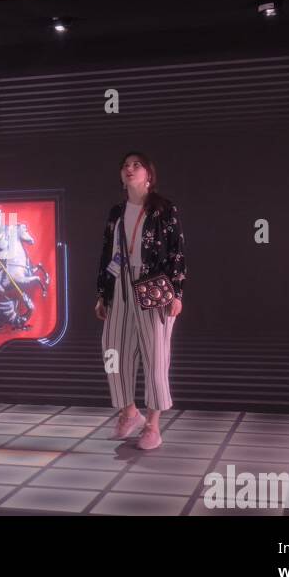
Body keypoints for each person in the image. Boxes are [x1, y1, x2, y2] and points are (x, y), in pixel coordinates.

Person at [95, 152, 187, 450]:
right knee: (113, 350)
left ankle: (153, 426)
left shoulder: (164, 209)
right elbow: (109, 253)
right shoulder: (116, 212)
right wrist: (103, 292)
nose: (129, 169)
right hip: (120, 281)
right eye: (125, 166)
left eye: (136, 165)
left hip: (154, 285)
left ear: (149, 174)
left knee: (155, 356)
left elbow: (177, 252)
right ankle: (129, 412)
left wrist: (177, 293)